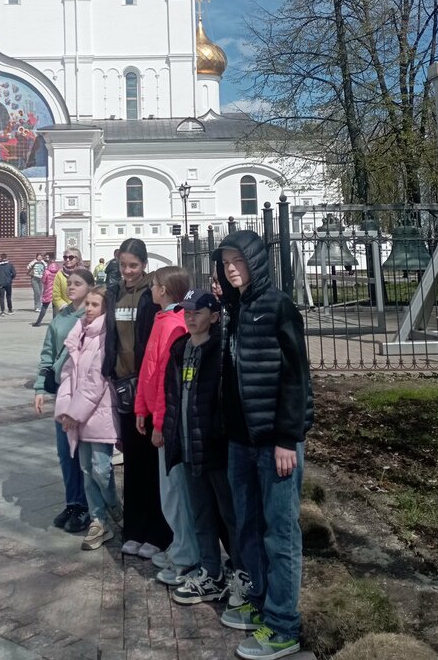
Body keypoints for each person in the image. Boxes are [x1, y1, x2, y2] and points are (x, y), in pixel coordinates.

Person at [213, 231, 313, 660]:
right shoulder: (236, 308)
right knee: (248, 529)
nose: (232, 267)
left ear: (256, 260)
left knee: (280, 533)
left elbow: (295, 377)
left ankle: (283, 626)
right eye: (226, 262)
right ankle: (260, 604)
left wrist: (287, 439)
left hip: (274, 443)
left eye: (239, 260)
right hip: (241, 440)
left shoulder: (278, 306)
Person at [163, 289, 248, 608]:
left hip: (215, 448)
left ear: (213, 317)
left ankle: (243, 574)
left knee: (230, 515)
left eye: (197, 312)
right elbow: (173, 397)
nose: (189, 317)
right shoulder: (180, 348)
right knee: (200, 514)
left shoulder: (222, 350)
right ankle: (210, 571)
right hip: (187, 446)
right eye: (186, 311)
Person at [102, 237, 169, 559]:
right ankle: (134, 529)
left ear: (143, 265)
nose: (128, 271)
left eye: (134, 265)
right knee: (133, 463)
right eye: (124, 265)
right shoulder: (114, 292)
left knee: (151, 464)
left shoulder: (151, 294)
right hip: (123, 386)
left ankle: (157, 532)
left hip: (147, 386)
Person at [135, 266, 197, 586]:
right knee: (169, 489)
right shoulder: (164, 321)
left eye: (155, 285)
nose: (150, 290)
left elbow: (164, 380)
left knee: (176, 491)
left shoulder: (174, 325)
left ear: (165, 290)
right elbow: (149, 369)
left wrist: (159, 420)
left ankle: (187, 554)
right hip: (159, 416)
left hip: (168, 422)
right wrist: (140, 407)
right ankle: (180, 545)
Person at [55, 285, 121, 551]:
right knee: (85, 469)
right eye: (88, 304)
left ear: (105, 308)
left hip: (98, 412)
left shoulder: (105, 336)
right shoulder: (79, 333)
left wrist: (75, 412)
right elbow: (68, 375)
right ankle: (99, 520)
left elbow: (97, 379)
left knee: (101, 468)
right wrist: (65, 409)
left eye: (95, 305)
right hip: (77, 414)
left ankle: (114, 505)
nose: (89, 309)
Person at [34, 267, 94, 535]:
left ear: (90, 287)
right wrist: (39, 387)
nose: (71, 287)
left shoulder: (94, 316)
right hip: (63, 393)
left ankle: (91, 506)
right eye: (69, 283)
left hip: (86, 394)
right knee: (64, 451)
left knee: (86, 454)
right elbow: (48, 354)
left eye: (77, 283)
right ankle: (74, 502)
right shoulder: (60, 319)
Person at [53, 248, 82, 315]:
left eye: (71, 257)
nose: (67, 260)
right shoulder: (59, 274)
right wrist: (66, 307)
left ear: (77, 259)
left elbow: (90, 292)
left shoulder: (84, 273)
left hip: (82, 311)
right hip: (65, 312)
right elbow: (56, 295)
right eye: (65, 257)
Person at [33, 255, 58, 326]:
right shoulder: (59, 272)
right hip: (56, 291)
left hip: (47, 292)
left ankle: (38, 322)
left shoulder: (47, 272)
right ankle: (55, 322)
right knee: (55, 309)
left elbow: (43, 281)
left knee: (44, 307)